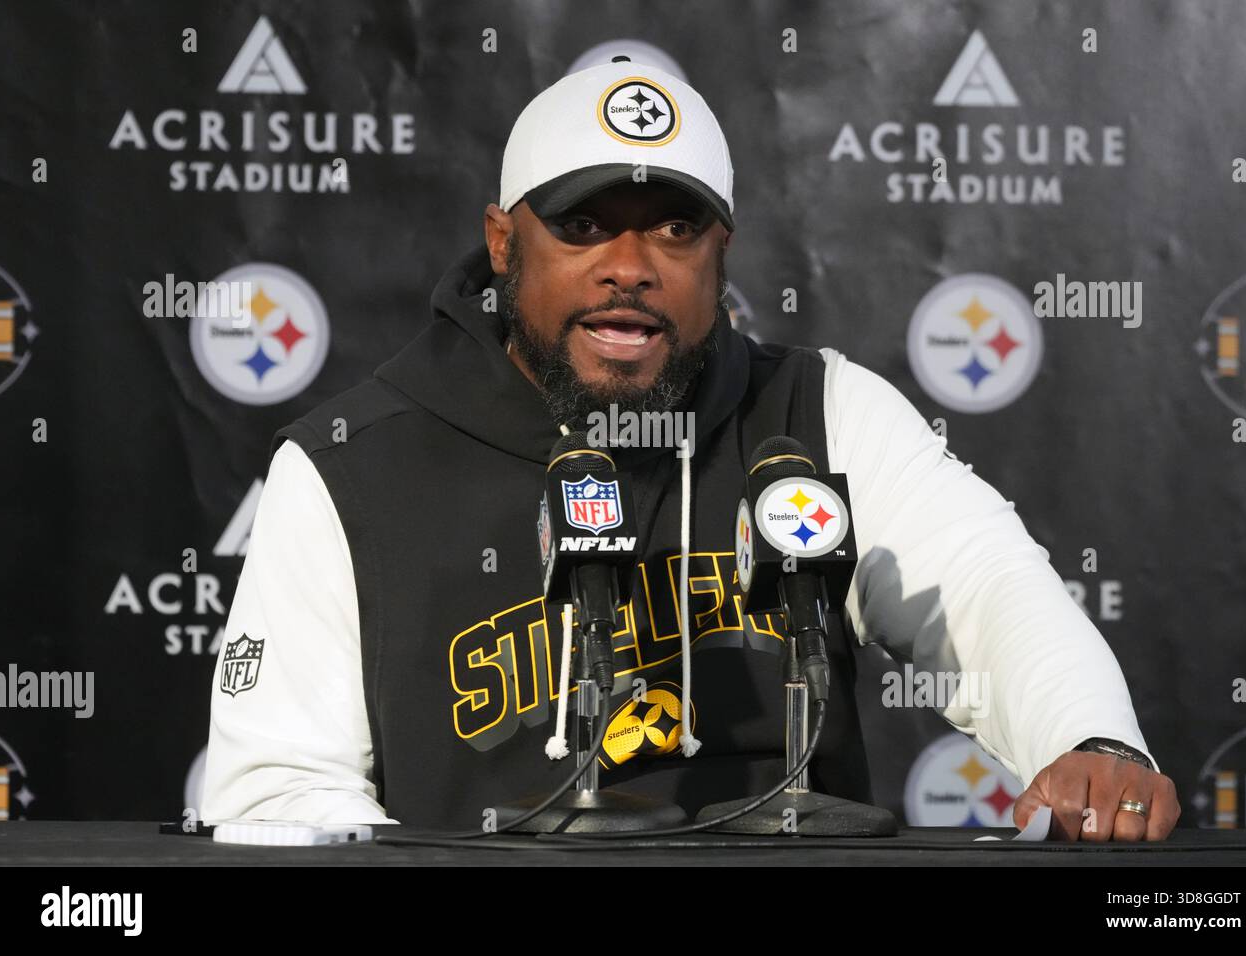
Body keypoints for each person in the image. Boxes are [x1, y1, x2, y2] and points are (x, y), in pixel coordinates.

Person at [202, 58, 1180, 842]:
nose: (628, 269)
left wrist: (1088, 740)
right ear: (503, 242)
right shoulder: (350, 464)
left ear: (723, 249)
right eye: (582, 226)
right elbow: (280, 790)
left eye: (674, 228)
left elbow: (985, 588)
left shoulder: (820, 408)